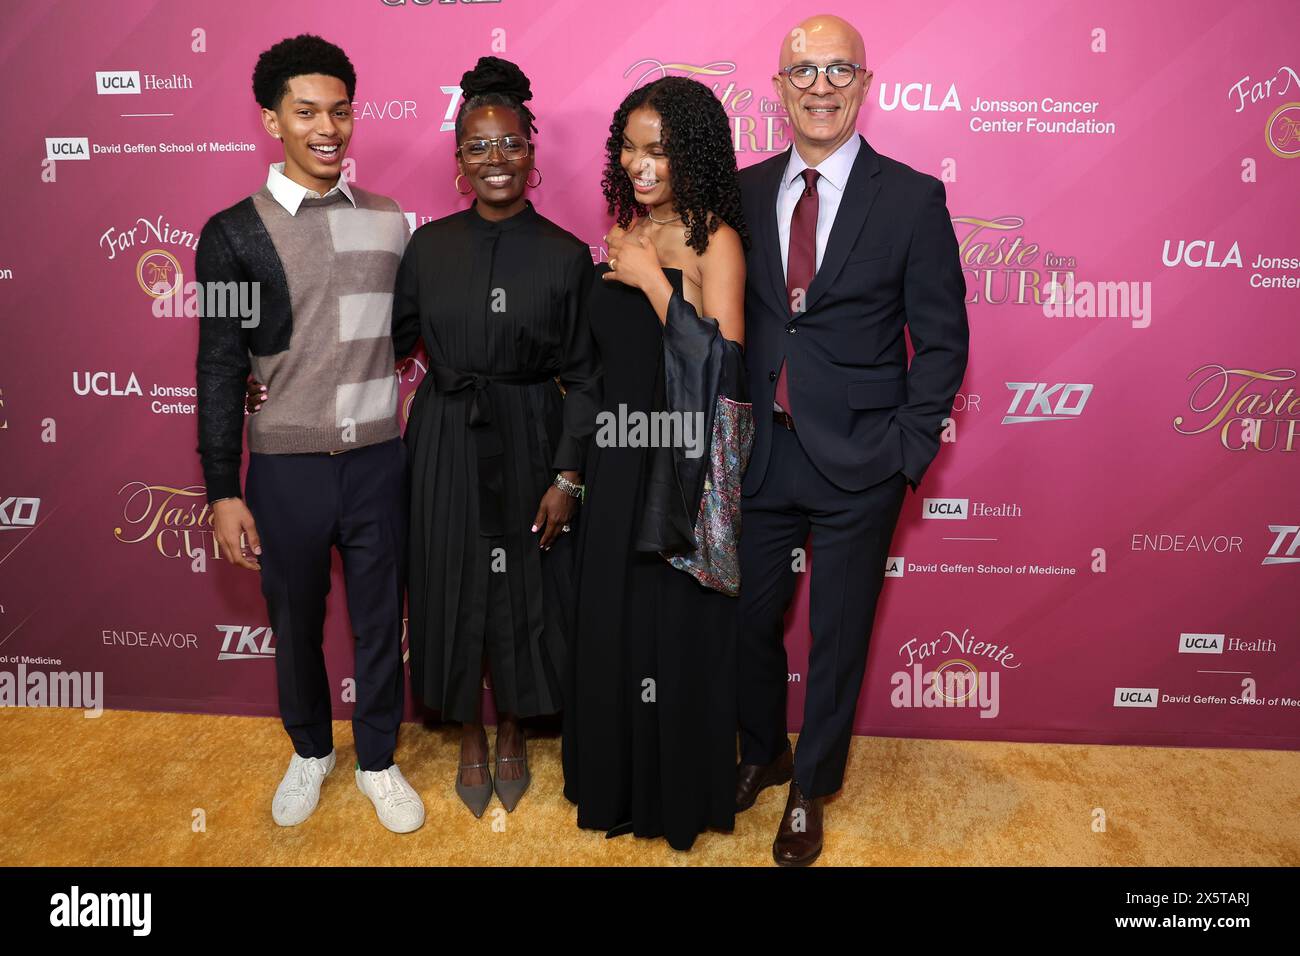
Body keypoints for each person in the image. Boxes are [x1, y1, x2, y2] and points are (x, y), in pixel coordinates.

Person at [734, 15, 969, 865]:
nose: (821, 86)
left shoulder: (910, 198)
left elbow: (941, 342)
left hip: (862, 461)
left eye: (840, 70)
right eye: (804, 71)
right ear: (779, 87)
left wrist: (907, 453)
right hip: (761, 452)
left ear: (865, 86)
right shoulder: (744, 189)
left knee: (837, 637)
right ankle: (764, 749)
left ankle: (810, 787)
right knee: (744, 623)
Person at [195, 34, 425, 833]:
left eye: (339, 110)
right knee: (292, 621)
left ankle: (379, 760)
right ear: (271, 121)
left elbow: (400, 334)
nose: (327, 127)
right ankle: (308, 750)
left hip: (377, 462)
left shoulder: (392, 221)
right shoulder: (230, 234)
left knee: (378, 620)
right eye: (305, 112)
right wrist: (223, 488)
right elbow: (220, 365)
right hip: (285, 471)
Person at [391, 57, 600, 817]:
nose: (495, 160)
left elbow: (587, 379)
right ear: (458, 163)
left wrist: (568, 475)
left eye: (509, 144)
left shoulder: (567, 256)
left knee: (525, 587)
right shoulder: (427, 249)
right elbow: (384, 346)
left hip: (533, 433)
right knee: (446, 578)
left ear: (531, 152)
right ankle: (467, 728)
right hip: (445, 433)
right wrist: (277, 372)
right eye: (478, 147)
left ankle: (514, 719)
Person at [562, 76, 749, 851]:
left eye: (659, 151)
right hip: (616, 461)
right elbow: (602, 366)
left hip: (678, 468)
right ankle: (618, 785)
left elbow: (727, 368)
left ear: (693, 155)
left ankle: (674, 796)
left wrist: (650, 283)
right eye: (631, 149)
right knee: (614, 626)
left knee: (670, 634)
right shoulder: (620, 233)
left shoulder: (716, 241)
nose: (640, 165)